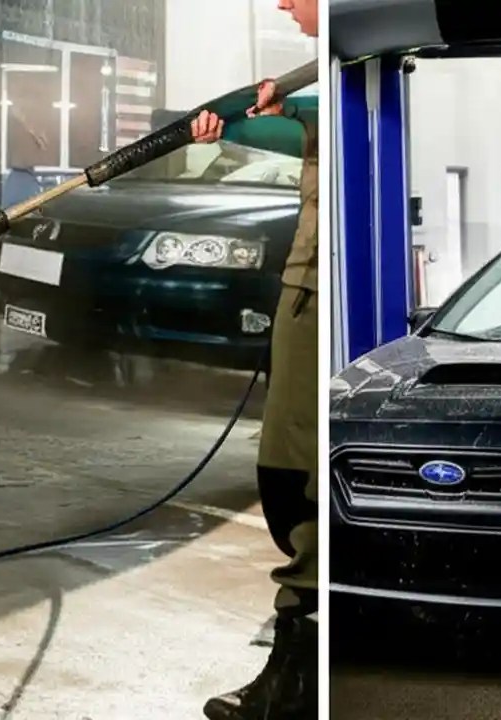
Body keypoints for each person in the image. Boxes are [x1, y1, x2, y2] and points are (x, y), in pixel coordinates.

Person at [189, 1, 319, 718]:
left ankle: (297, 682)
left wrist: (280, 108)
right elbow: (303, 131)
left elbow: (327, 123)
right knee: (287, 474)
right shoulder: (319, 75)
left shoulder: (342, 68)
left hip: (315, 295)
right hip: (300, 290)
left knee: (296, 478)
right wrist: (245, 115)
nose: (280, 3)